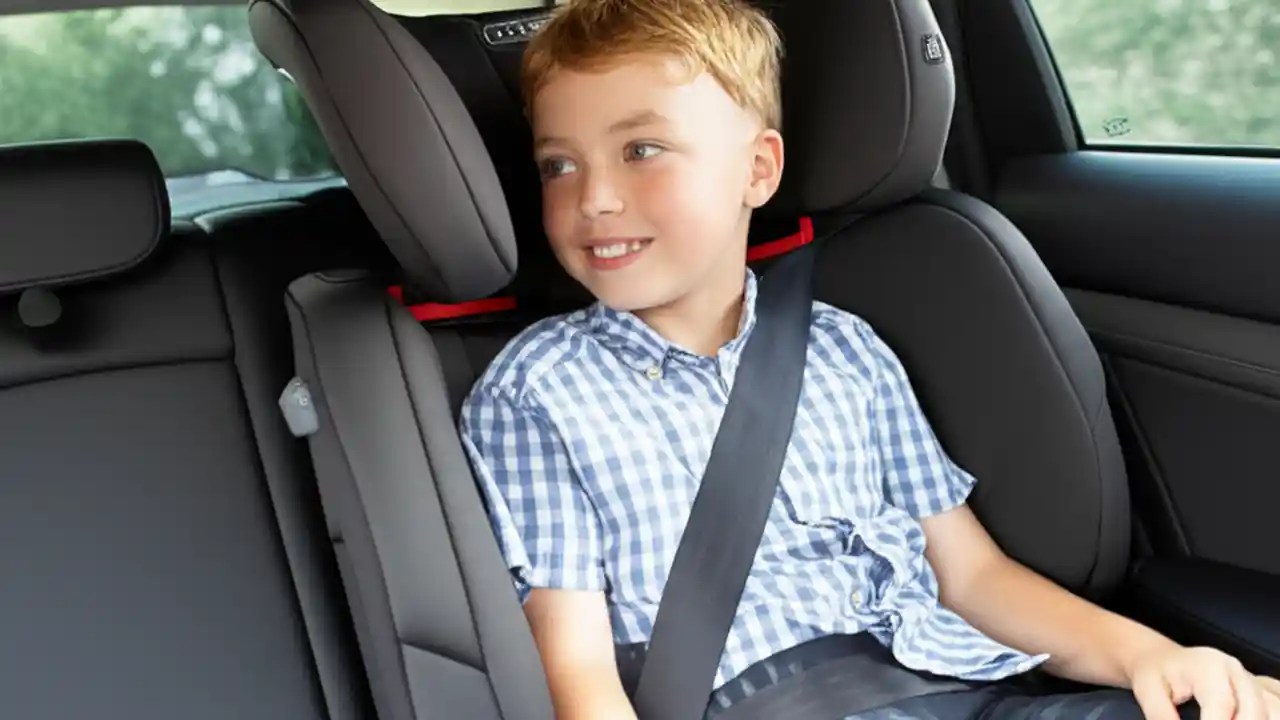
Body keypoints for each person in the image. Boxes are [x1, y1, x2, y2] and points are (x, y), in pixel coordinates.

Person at [457, 1, 1280, 718]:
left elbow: (970, 576)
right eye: (557, 165)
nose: (592, 197)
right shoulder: (539, 389)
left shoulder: (845, 349)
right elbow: (578, 670)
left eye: (641, 150)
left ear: (758, 169)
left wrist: (1148, 656)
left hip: (965, 687)